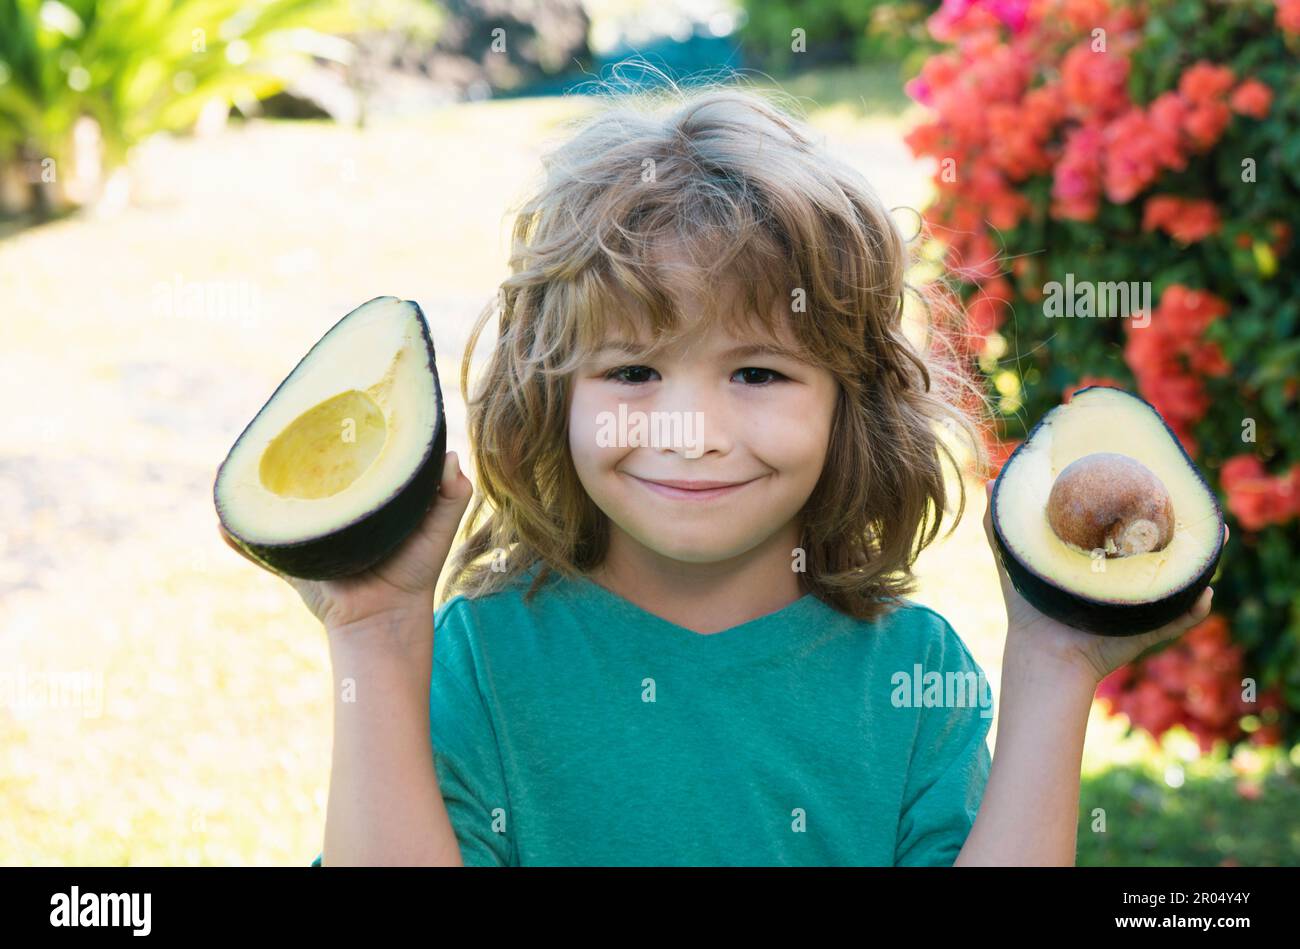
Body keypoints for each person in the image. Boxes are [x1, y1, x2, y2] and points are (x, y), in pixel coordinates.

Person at [222, 79, 1216, 866]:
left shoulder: (912, 680)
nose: (691, 429)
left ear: (848, 403)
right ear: (552, 394)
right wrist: (376, 635)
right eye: (632, 370)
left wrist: (1052, 667)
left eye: (755, 370)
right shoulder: (480, 662)